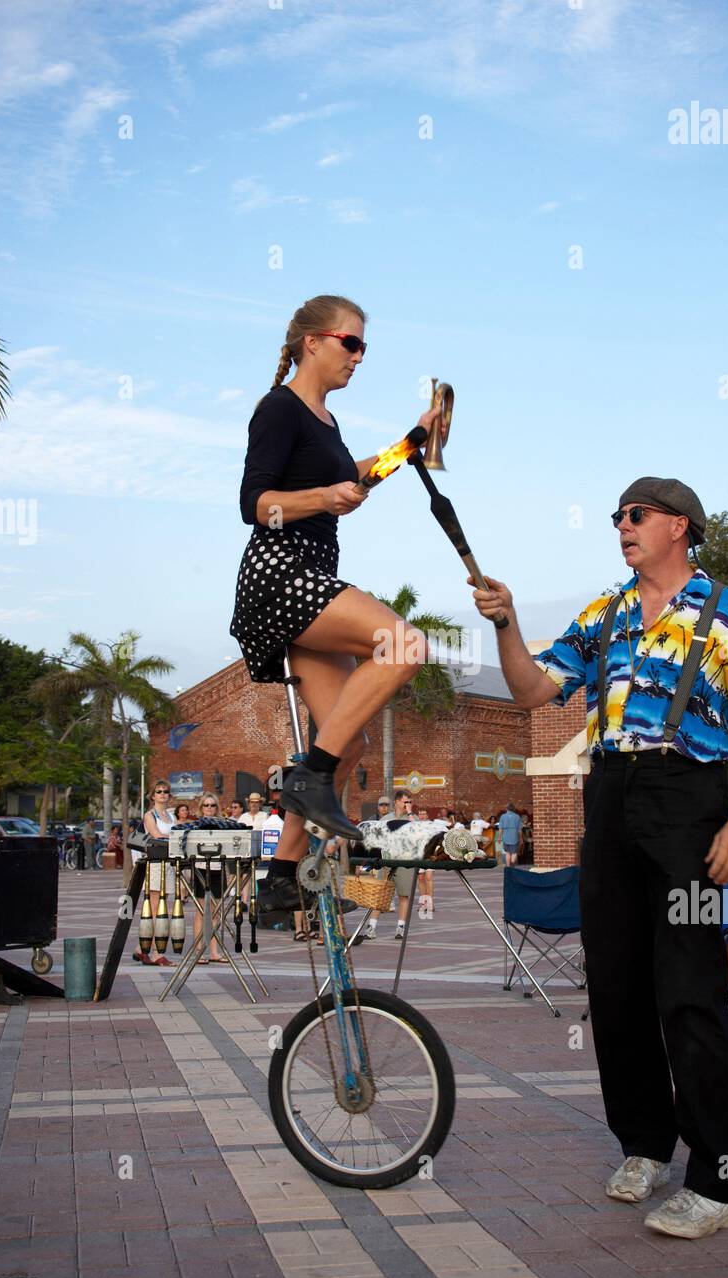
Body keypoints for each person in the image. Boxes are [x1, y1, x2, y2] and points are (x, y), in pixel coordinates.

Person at [470, 476, 728, 1239]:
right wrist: (507, 624)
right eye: (618, 515)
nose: (621, 524)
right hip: (610, 799)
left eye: (635, 514)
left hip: (690, 803)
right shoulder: (608, 611)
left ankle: (718, 1181)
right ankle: (646, 1145)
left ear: (679, 526)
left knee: (689, 989)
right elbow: (533, 690)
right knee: (615, 987)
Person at [231, 294, 444, 923]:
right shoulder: (279, 408)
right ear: (312, 342)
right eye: (350, 343)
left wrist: (412, 442)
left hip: (310, 578)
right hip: (281, 576)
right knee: (405, 645)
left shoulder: (324, 421)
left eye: (364, 347)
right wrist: (320, 496)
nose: (358, 356)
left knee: (342, 743)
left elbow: (355, 475)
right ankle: (307, 777)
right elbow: (255, 504)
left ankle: (278, 878)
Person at [132, 782, 176, 966]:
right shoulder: (150, 815)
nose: (163, 794)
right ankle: (157, 952)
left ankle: (140, 948)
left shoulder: (171, 816)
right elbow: (156, 835)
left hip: (169, 864)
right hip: (155, 863)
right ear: (153, 796)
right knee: (157, 909)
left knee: (162, 909)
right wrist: (176, 838)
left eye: (166, 792)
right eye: (159, 792)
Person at [363, 791, 415, 940]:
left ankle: (400, 928)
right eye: (406, 802)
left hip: (405, 862)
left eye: (410, 802)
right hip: (387, 861)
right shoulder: (386, 819)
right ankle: (371, 928)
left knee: (404, 895)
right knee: (380, 895)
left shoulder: (412, 818)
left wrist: (410, 813)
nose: (408, 805)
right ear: (398, 802)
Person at [191, 793, 225, 963]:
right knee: (200, 911)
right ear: (201, 807)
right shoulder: (196, 825)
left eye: (212, 805)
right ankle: (198, 950)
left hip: (218, 869)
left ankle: (213, 951)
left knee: (216, 912)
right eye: (206, 805)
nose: (209, 808)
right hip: (201, 869)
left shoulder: (223, 825)